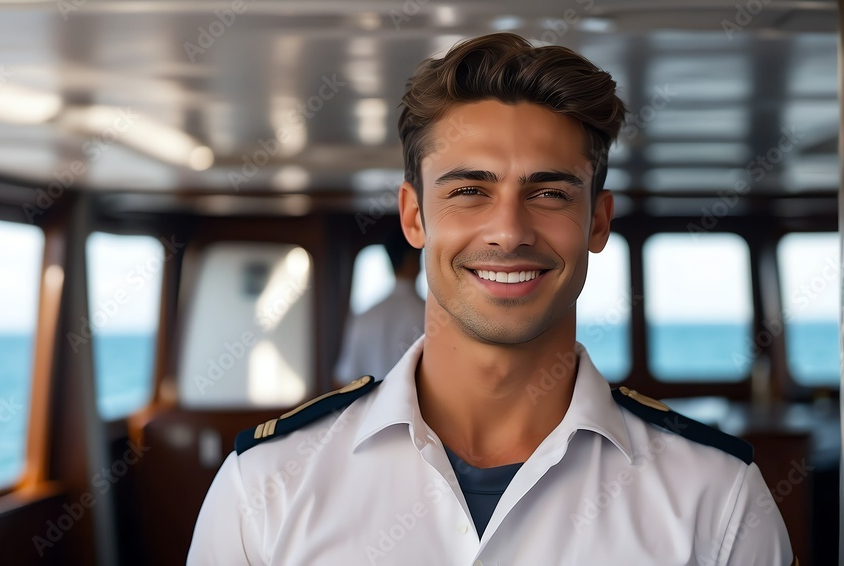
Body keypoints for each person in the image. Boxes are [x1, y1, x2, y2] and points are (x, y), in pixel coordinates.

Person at [188, 32, 793, 565]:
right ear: (414, 216)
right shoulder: (265, 487)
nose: (509, 231)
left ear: (598, 222)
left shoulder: (719, 498)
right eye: (470, 191)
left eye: (551, 193)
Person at [334, 228, 426, 385]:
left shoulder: (365, 317)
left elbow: (342, 379)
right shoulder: (429, 314)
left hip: (372, 409)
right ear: (413, 260)